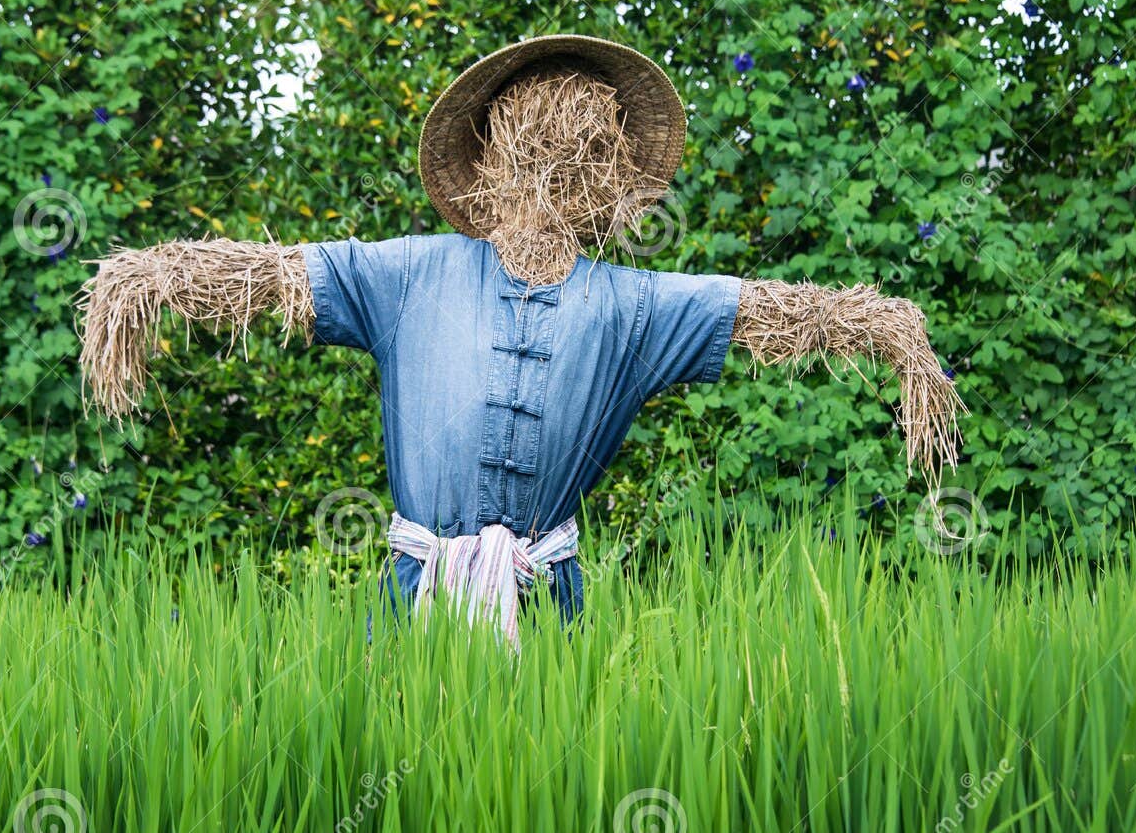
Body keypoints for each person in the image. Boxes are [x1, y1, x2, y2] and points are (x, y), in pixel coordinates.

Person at [79, 35, 963, 649]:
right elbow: (267, 274)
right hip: (417, 589)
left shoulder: (634, 307)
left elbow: (770, 312)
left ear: (613, 173)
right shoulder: (408, 275)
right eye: (540, 129)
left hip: (548, 597)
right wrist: (141, 279)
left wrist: (893, 330)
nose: (564, 148)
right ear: (493, 155)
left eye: (588, 137)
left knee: (543, 796)